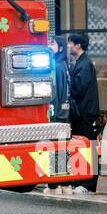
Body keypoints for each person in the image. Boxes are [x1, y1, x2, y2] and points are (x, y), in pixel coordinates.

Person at [67, 32, 100, 194]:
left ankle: (88, 184)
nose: (68, 46)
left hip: (85, 113)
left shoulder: (84, 64)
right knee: (82, 147)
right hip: (83, 112)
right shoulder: (82, 62)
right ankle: (82, 180)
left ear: (77, 45)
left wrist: (68, 84)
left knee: (88, 147)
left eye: (70, 43)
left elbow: (78, 88)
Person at [47, 35, 71, 196]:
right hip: (65, 114)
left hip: (57, 116)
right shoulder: (64, 65)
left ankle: (54, 185)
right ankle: (65, 183)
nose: (50, 45)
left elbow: (54, 92)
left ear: (60, 48)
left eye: (53, 43)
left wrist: (52, 113)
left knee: (54, 150)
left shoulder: (56, 66)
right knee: (63, 150)